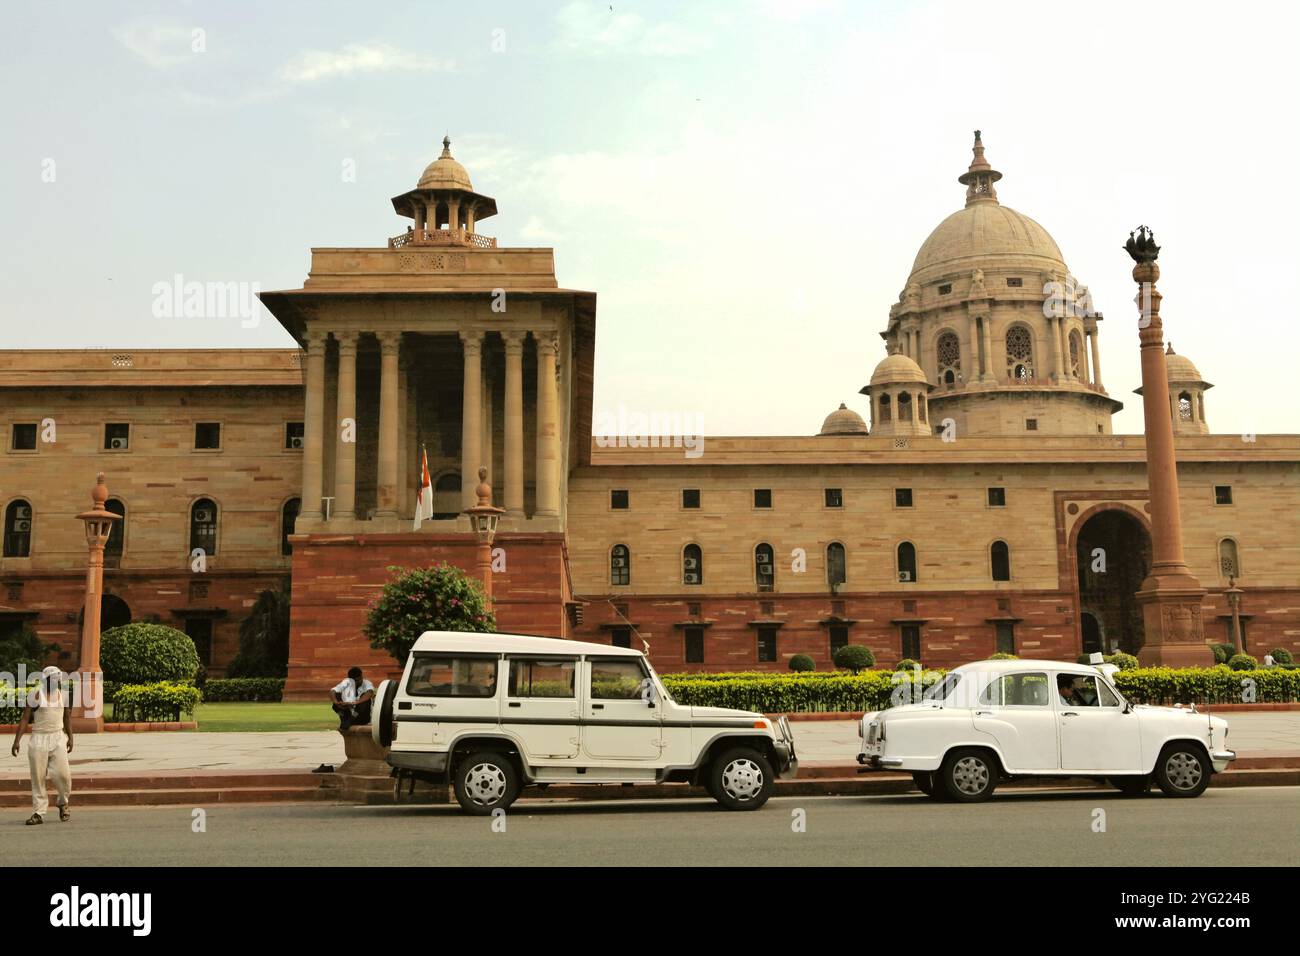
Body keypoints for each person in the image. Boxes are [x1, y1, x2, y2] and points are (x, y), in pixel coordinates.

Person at [10, 666, 74, 825]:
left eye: (57, 680)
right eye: (53, 679)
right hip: (39, 739)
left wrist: (70, 737)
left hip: (58, 737)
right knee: (38, 778)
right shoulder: (36, 695)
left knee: (63, 775)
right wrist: (17, 741)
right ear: (45, 680)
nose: (56, 682)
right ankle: (39, 812)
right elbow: (25, 719)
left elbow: (67, 717)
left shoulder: (63, 695)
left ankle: (62, 802)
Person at [330, 667, 375, 731]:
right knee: (336, 699)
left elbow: (369, 693)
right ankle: (345, 718)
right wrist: (336, 702)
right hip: (348, 713)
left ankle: (350, 720)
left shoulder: (367, 683)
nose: (356, 683)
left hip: (362, 717)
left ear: (361, 677)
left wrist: (354, 703)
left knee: (364, 700)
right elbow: (333, 691)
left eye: (357, 680)